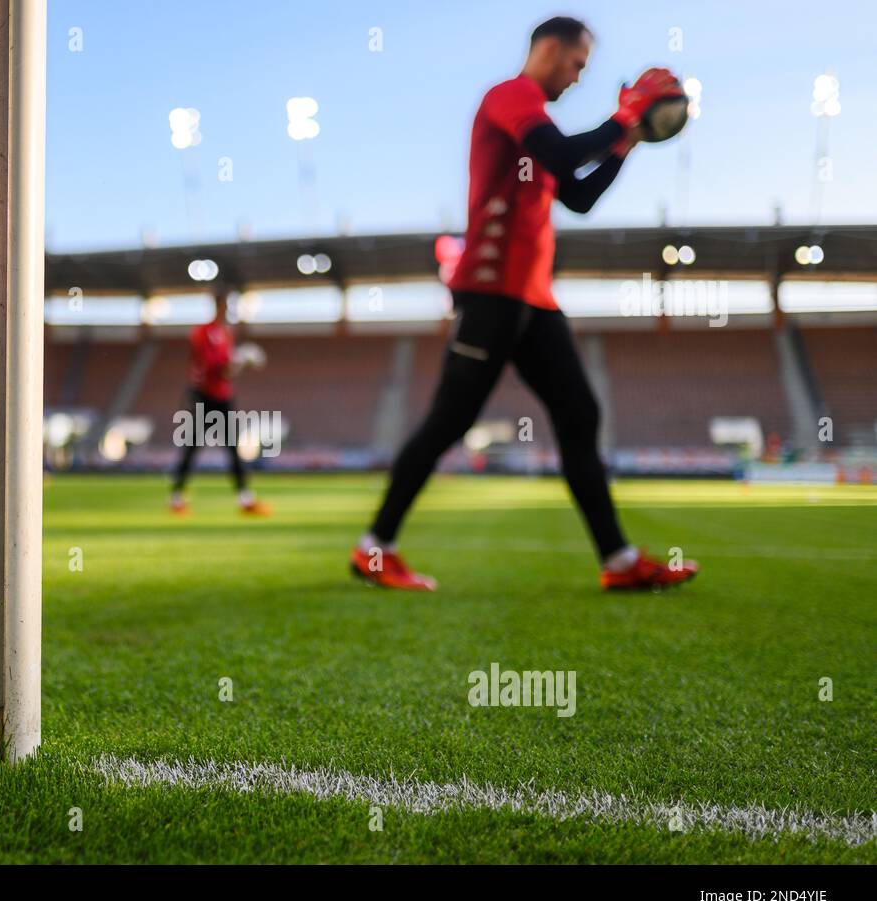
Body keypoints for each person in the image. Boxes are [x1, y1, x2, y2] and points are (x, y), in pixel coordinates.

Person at [350, 15, 697, 592]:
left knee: (579, 415)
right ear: (551, 49)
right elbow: (561, 158)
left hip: (532, 299)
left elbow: (580, 196)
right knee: (449, 420)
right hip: (491, 292)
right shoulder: (510, 98)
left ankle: (617, 562)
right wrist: (622, 118)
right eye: (578, 63)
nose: (579, 77)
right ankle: (375, 549)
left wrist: (627, 139)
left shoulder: (540, 125)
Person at [169, 290, 270, 516]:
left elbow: (227, 372)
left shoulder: (225, 333)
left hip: (223, 396)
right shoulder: (203, 332)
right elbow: (215, 367)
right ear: (217, 305)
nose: (228, 309)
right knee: (192, 448)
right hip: (203, 396)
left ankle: (245, 499)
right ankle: (176, 498)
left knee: (232, 448)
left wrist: (240, 363)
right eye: (225, 304)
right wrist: (241, 359)